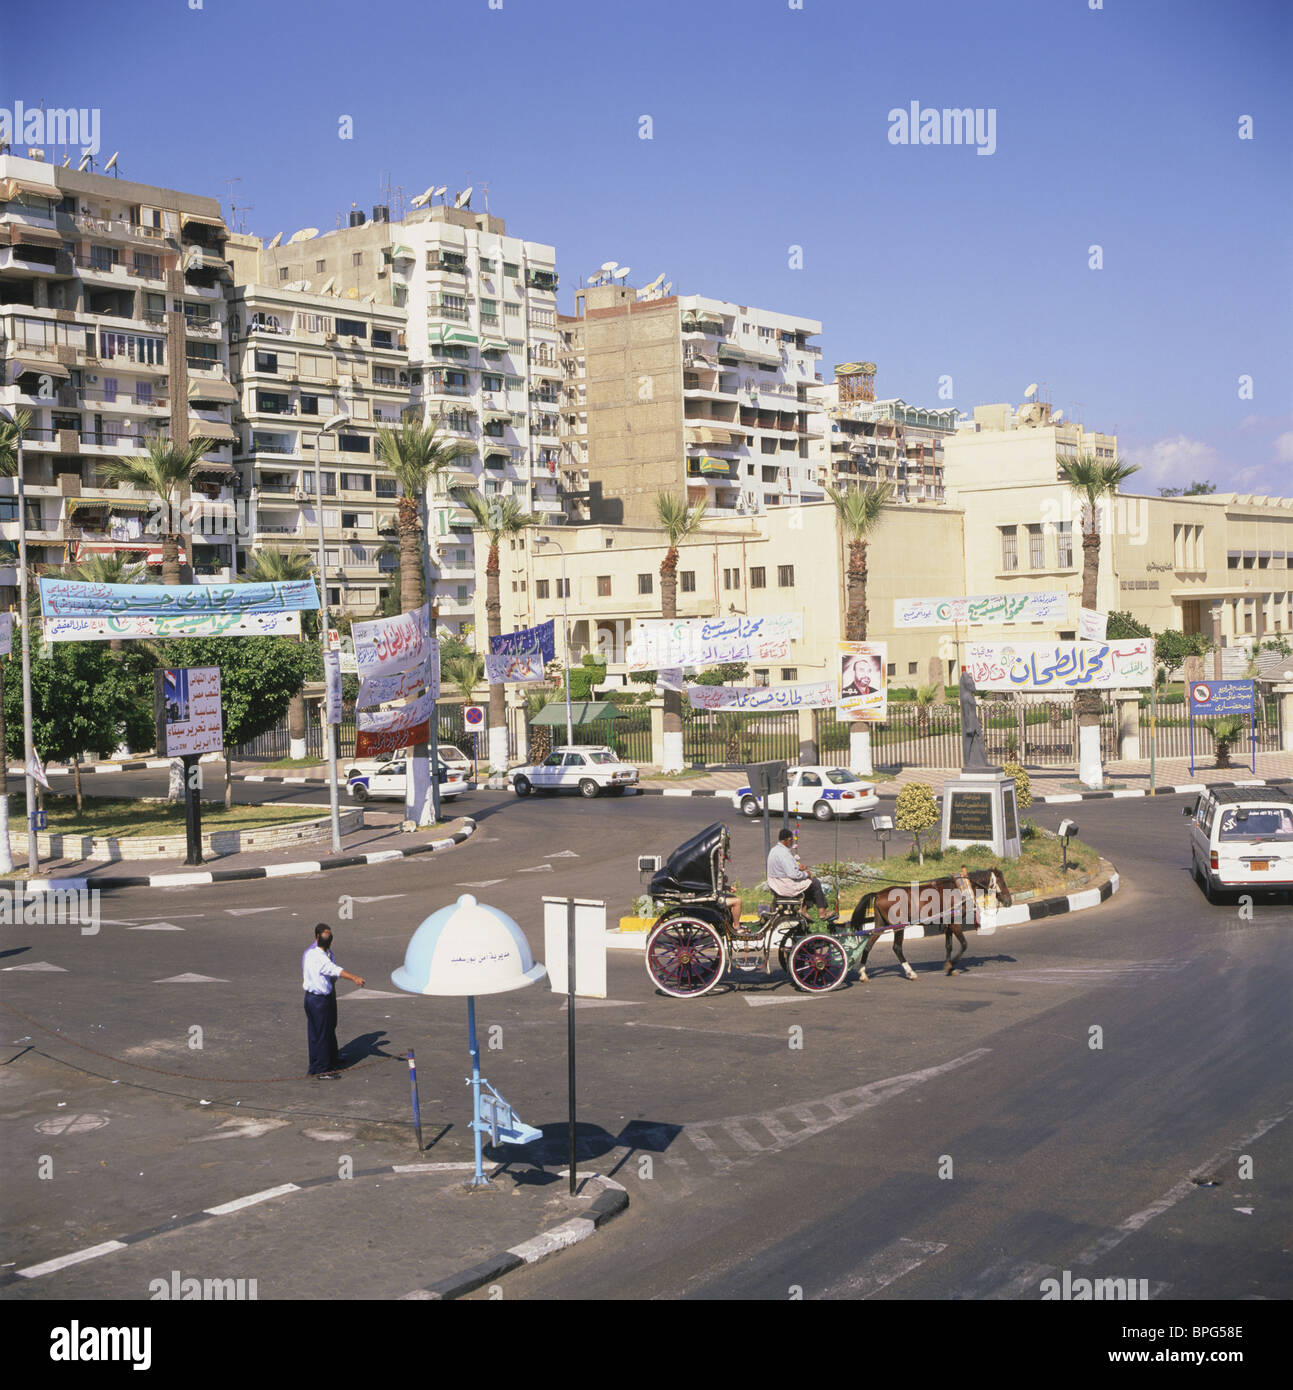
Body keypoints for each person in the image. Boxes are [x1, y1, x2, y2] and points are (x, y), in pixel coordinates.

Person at [302, 923, 365, 1078]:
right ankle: (322, 1069)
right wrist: (354, 978)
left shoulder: (326, 953)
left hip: (324, 997)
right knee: (320, 1034)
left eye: (329, 934)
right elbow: (334, 970)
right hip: (317, 999)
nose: (328, 937)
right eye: (324, 934)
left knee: (329, 1028)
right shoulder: (316, 956)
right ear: (317, 937)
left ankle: (331, 1058)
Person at [766, 829, 836, 920]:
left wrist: (798, 867)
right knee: (815, 883)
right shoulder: (784, 854)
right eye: (792, 840)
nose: (792, 842)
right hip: (784, 885)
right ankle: (822, 912)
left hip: (777, 883)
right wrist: (806, 874)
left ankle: (804, 909)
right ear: (788, 840)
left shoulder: (775, 850)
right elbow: (793, 874)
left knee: (808, 884)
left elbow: (783, 867)